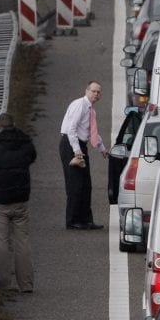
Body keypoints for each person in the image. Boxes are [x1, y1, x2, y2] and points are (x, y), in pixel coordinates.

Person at [0, 112, 37, 293]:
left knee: (0, 242)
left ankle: (3, 284)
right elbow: (32, 158)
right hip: (20, 200)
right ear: (14, 124)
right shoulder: (25, 144)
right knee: (22, 242)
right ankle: (26, 284)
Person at [59, 80, 106, 230]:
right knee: (75, 184)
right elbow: (71, 129)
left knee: (86, 185)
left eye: (98, 92)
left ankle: (86, 220)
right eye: (93, 91)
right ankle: (72, 220)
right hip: (71, 145)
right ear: (86, 91)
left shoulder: (91, 110)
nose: (96, 94)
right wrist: (76, 150)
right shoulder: (79, 105)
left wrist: (102, 149)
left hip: (80, 146)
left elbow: (92, 133)